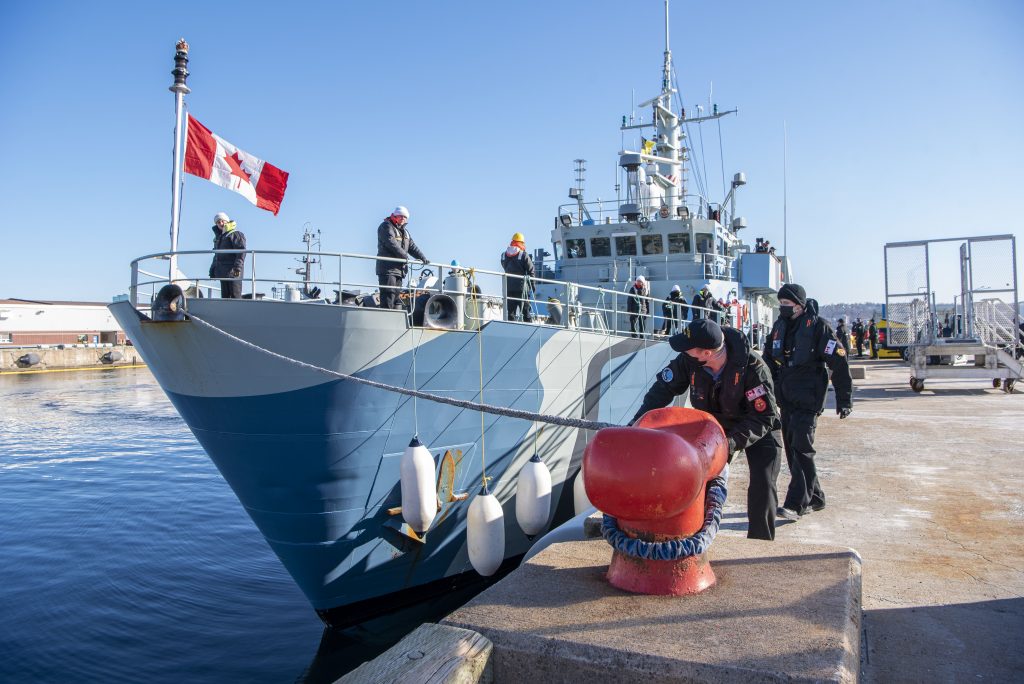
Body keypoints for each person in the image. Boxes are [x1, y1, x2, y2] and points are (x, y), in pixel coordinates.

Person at [631, 319, 784, 540]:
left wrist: (728, 444)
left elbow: (764, 416)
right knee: (700, 480)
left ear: (707, 353)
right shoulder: (690, 361)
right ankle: (693, 539)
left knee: (763, 483)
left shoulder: (753, 367)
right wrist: (638, 421)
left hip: (759, 427)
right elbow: (663, 389)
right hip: (717, 426)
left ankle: (760, 545)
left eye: (688, 347)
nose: (684, 351)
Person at [764, 283, 853, 520]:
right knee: (793, 451)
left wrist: (844, 399)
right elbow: (767, 362)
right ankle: (816, 497)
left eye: (787, 304)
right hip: (786, 398)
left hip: (808, 397)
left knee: (802, 448)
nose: (783, 308)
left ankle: (796, 504)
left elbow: (839, 362)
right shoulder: (779, 327)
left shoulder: (819, 328)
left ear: (800, 305)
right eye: (780, 304)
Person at [376, 206, 428, 310]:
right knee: (388, 296)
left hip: (400, 270)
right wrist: (405, 256)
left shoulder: (405, 232)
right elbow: (391, 243)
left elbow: (412, 247)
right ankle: (386, 320)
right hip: (387, 269)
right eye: (401, 216)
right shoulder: (386, 226)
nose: (403, 218)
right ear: (395, 215)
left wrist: (422, 258)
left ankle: (396, 322)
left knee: (396, 296)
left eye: (405, 217)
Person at [209, 212, 246, 299]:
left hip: (233, 271)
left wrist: (238, 267)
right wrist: (213, 269)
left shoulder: (235, 234)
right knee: (225, 298)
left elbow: (241, 251)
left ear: (227, 221)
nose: (221, 224)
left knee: (235, 296)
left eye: (222, 221)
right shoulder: (219, 238)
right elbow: (217, 255)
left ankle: (237, 312)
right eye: (218, 222)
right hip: (223, 272)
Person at [501, 232, 535, 322]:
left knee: (511, 312)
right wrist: (532, 286)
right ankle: (529, 329)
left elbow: (504, 267)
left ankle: (510, 329)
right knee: (526, 311)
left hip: (508, 288)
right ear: (522, 243)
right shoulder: (523, 255)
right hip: (521, 288)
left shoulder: (503, 255)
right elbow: (531, 271)